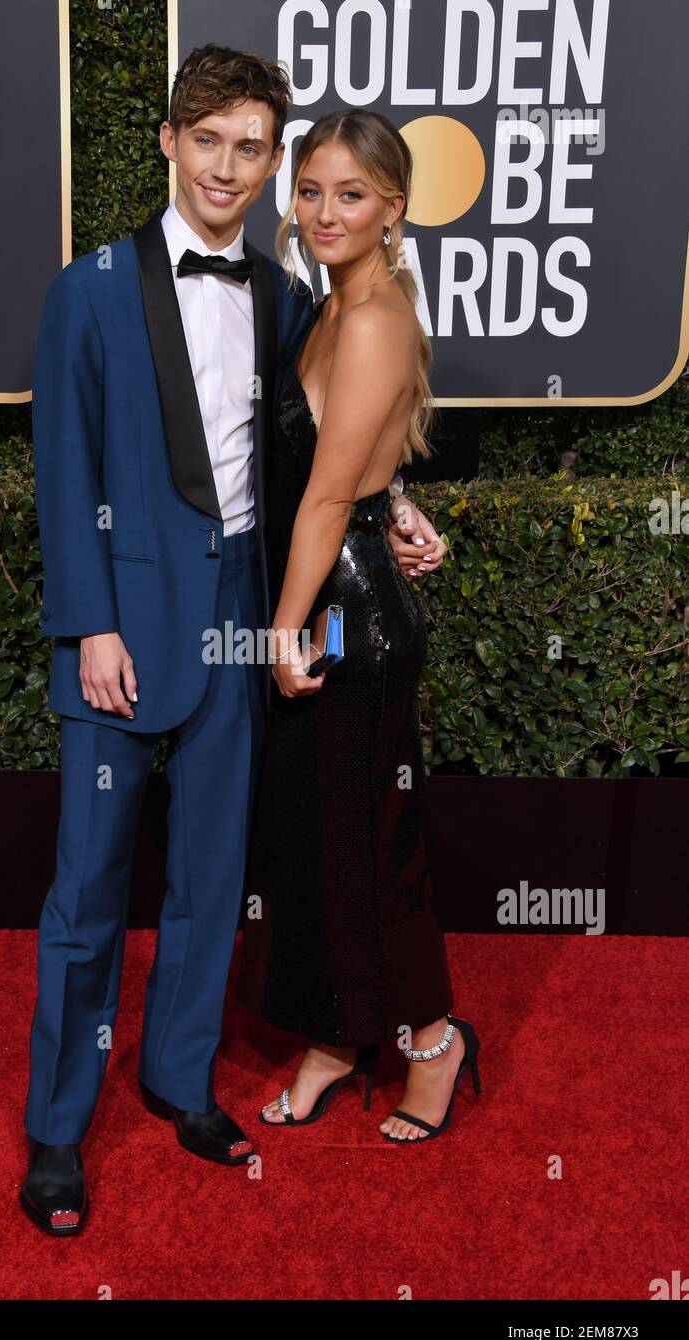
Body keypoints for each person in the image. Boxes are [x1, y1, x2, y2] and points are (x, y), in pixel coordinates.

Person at [22, 46, 449, 1236]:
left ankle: (178, 1078)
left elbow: (334, 446)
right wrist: (90, 625)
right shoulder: (88, 290)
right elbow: (64, 476)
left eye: (251, 146)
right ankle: (56, 1130)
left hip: (245, 619)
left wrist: (400, 508)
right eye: (206, 139)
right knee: (88, 891)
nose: (228, 165)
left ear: (270, 162)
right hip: (121, 625)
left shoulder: (285, 297)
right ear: (167, 142)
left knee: (214, 880)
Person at [237, 109, 481, 1144]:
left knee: (373, 847)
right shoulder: (326, 306)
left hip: (348, 621)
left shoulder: (374, 318)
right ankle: (337, 1039)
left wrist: (284, 631)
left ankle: (430, 1039)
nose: (325, 212)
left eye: (351, 195)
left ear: (393, 208)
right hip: (324, 595)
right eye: (311, 190)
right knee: (311, 844)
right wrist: (397, 507)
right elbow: (354, 472)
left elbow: (328, 497)